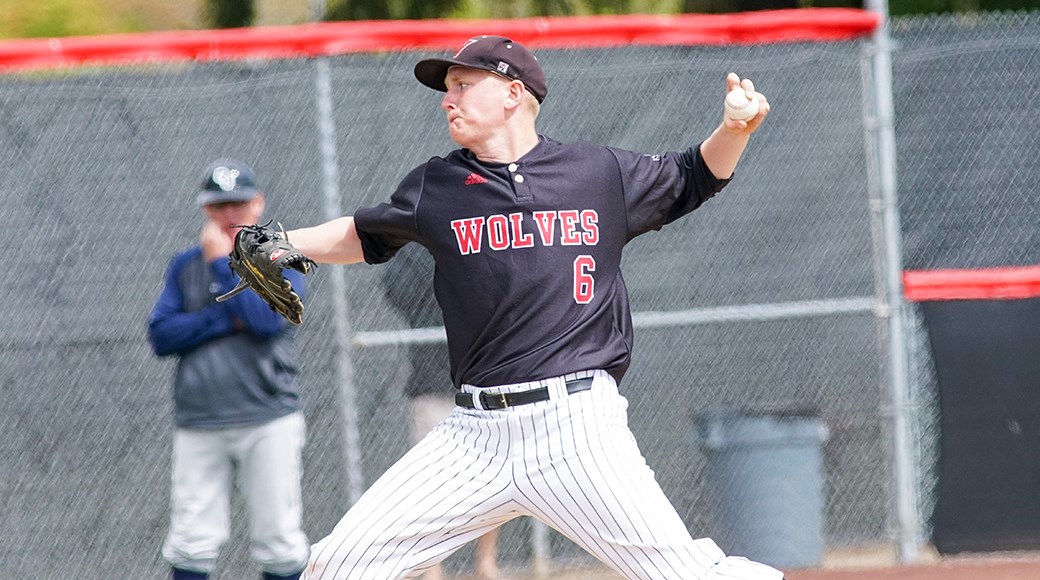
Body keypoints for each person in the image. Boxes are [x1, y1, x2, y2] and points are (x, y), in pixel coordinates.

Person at [288, 35, 782, 579]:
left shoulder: (595, 172)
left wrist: (733, 130)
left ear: (512, 93)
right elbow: (363, 234)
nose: (447, 99)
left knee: (686, 575)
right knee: (338, 566)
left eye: (462, 85)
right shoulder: (439, 184)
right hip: (473, 437)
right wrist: (286, 242)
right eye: (446, 89)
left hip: (574, 430)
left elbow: (693, 176)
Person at [148, 159, 310, 580]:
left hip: (267, 417)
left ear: (258, 204)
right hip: (200, 420)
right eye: (220, 205)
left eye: (239, 202)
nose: (230, 213)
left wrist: (224, 264)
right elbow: (161, 336)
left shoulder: (280, 258)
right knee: (190, 541)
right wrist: (223, 318)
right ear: (206, 209)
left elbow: (264, 322)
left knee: (278, 542)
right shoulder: (185, 265)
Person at [382, 243, 502, 580]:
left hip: (483, 385)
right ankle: (432, 568)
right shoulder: (417, 246)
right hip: (432, 385)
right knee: (429, 484)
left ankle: (486, 564)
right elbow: (397, 290)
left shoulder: (482, 240)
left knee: (492, 479)